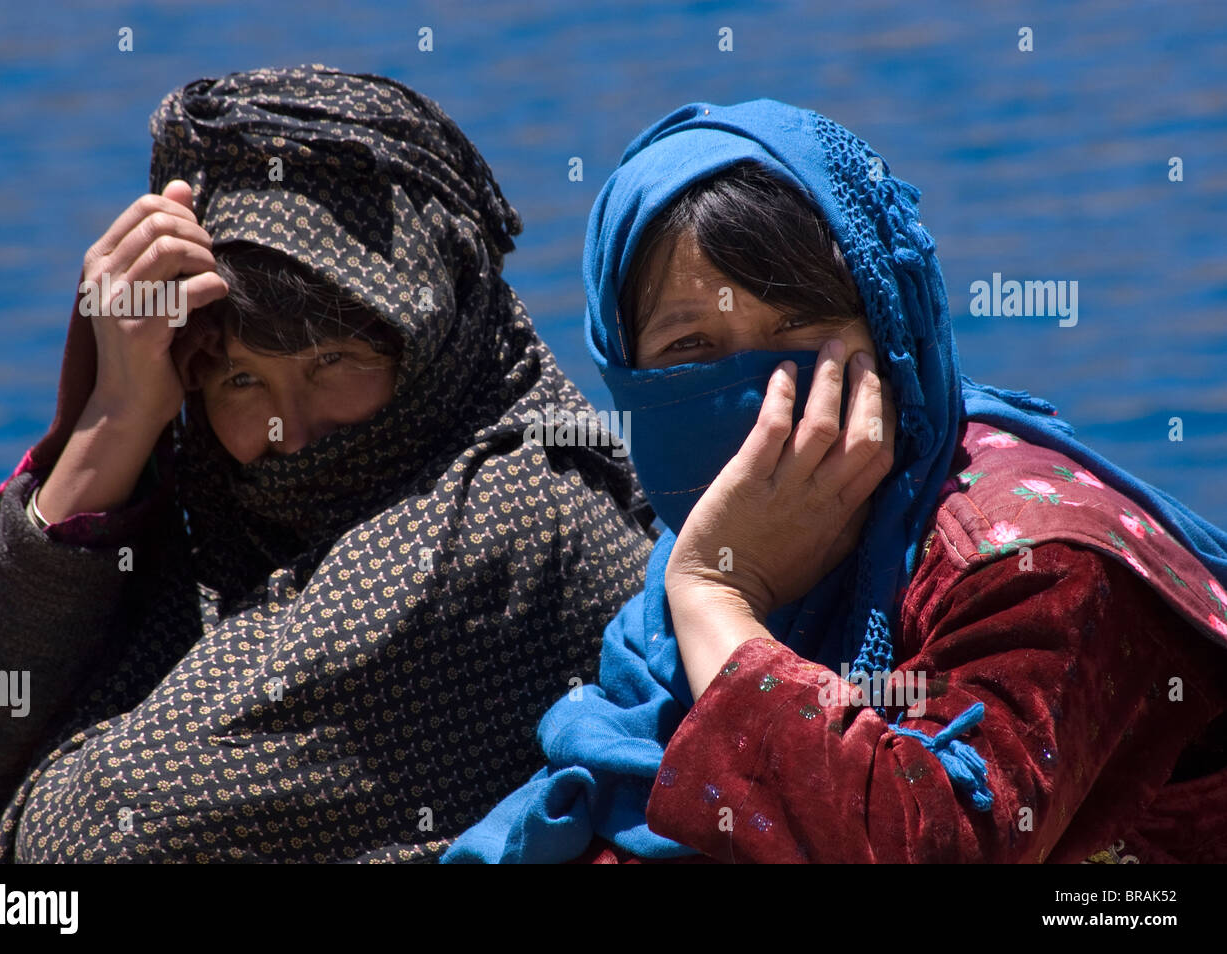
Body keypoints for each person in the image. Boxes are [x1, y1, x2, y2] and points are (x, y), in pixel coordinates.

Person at [443, 100, 1227, 864]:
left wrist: (718, 597)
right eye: (691, 346)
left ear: (893, 335)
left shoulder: (1035, 563)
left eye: (799, 332)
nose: (762, 406)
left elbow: (924, 843)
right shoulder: (665, 598)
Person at [0, 65, 657, 863]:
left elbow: (90, 838)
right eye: (240, 379)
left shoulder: (516, 516)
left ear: (435, 340)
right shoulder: (218, 517)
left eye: (334, 360)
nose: (290, 428)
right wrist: (121, 413)